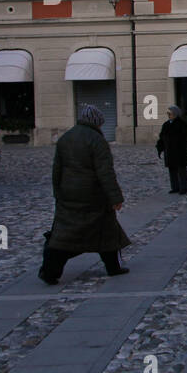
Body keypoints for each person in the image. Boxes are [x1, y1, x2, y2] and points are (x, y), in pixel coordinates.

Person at [39, 105, 131, 284]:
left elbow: (56, 170)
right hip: (94, 196)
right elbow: (105, 173)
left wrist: (58, 193)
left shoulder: (66, 138)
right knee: (107, 232)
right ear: (96, 122)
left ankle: (50, 272)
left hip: (69, 196)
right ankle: (114, 267)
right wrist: (115, 198)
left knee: (64, 236)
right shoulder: (97, 140)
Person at [155, 105, 187, 194]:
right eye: (168, 114)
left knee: (181, 170)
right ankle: (175, 187)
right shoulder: (166, 124)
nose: (169, 115)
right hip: (170, 150)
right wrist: (160, 147)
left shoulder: (182, 124)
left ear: (175, 114)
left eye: (170, 113)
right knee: (172, 169)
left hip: (180, 150)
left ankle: (183, 188)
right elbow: (162, 137)